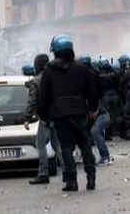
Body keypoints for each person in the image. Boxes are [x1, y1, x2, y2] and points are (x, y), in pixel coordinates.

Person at [37, 34, 100, 192]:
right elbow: (91, 92)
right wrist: (93, 109)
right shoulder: (81, 68)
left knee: (66, 147)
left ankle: (71, 181)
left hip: (60, 115)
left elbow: (43, 96)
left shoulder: (49, 70)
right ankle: (91, 175)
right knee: (85, 145)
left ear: (55, 51)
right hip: (79, 112)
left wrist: (44, 116)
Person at [24, 53, 57, 185]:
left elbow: (32, 101)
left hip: (44, 117)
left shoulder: (36, 81)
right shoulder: (54, 77)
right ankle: (68, 171)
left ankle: (43, 173)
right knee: (56, 144)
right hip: (57, 115)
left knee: (40, 144)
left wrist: (27, 117)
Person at [88, 58, 113, 165]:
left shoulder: (90, 99)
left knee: (95, 132)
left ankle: (105, 157)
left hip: (103, 116)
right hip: (105, 109)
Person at [98, 58, 124, 141]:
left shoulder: (99, 74)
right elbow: (119, 83)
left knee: (106, 116)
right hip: (115, 95)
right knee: (117, 114)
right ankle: (120, 132)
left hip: (105, 96)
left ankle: (108, 134)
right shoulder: (115, 72)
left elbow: (98, 86)